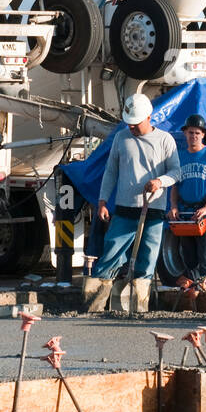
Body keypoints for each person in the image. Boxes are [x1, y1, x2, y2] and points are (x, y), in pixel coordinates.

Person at [83, 93, 182, 313]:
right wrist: (102, 201)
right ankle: (94, 304)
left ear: (148, 117)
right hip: (125, 208)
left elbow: (176, 171)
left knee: (147, 259)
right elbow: (111, 172)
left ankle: (139, 308)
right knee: (111, 253)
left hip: (153, 210)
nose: (132, 128)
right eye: (129, 124)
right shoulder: (121, 138)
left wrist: (159, 181)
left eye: (136, 124)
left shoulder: (165, 140)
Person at [168, 114, 206, 286]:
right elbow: (174, 185)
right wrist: (173, 206)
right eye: (190, 132)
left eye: (197, 133)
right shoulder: (179, 157)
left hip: (205, 215)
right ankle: (193, 294)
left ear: (203, 135)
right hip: (185, 214)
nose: (193, 136)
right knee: (189, 258)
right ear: (185, 134)